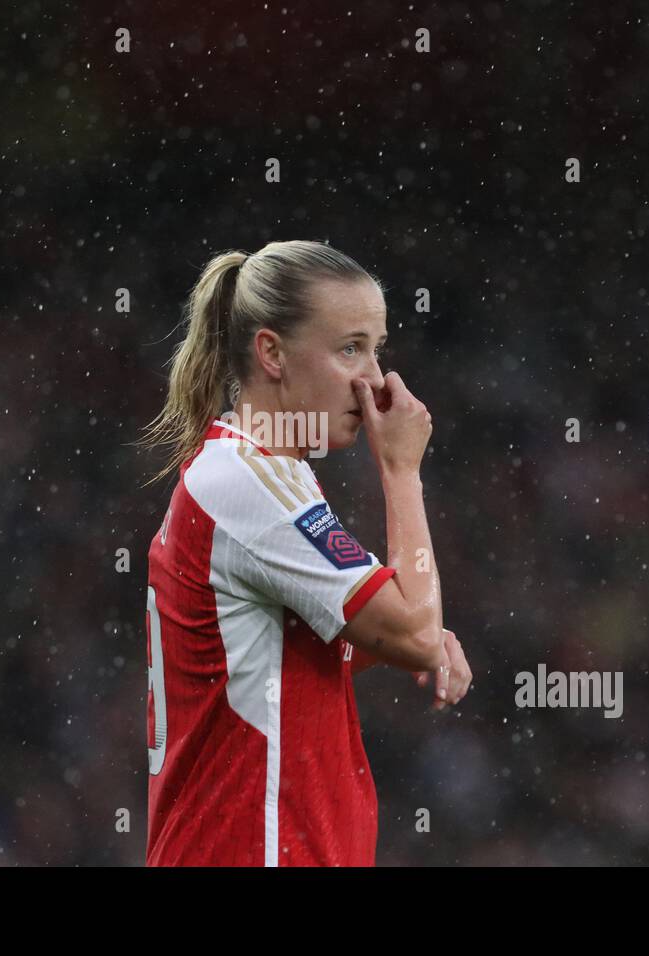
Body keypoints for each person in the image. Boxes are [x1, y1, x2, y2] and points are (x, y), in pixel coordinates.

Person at [138, 239, 472, 866]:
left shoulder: (266, 476)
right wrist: (401, 470)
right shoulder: (246, 482)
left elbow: (267, 668)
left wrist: (384, 637)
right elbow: (417, 633)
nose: (374, 379)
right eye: (350, 348)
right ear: (271, 352)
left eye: (377, 349)